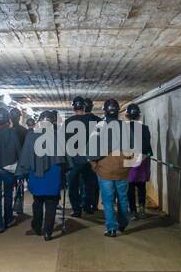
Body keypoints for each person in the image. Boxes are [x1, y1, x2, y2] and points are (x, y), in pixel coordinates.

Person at [17, 110, 67, 240]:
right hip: (53, 174)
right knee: (51, 203)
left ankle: (37, 227)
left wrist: (23, 173)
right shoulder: (58, 136)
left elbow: (26, 158)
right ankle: (48, 232)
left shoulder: (31, 136)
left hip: (36, 174)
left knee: (37, 201)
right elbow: (65, 160)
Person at [89, 98, 131, 237]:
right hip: (122, 170)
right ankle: (123, 223)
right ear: (118, 111)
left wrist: (95, 165)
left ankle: (111, 228)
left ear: (104, 111)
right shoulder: (125, 127)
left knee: (108, 201)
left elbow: (91, 150)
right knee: (123, 198)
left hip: (104, 170)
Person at [64, 95, 96, 218]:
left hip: (74, 159)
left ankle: (76, 209)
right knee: (89, 184)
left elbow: (64, 143)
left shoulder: (68, 122)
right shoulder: (95, 120)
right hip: (90, 158)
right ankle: (87, 206)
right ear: (84, 106)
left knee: (73, 185)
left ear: (73, 108)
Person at [124, 102, 153, 218]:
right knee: (141, 186)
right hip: (142, 159)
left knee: (129, 187)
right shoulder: (145, 128)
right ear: (139, 115)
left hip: (128, 159)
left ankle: (133, 211)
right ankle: (142, 208)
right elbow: (147, 146)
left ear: (127, 115)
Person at [9, 108, 28, 218]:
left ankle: (11, 207)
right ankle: (18, 205)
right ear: (19, 117)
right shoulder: (24, 131)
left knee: (10, 186)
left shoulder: (7, 131)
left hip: (9, 162)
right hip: (21, 162)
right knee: (20, 184)